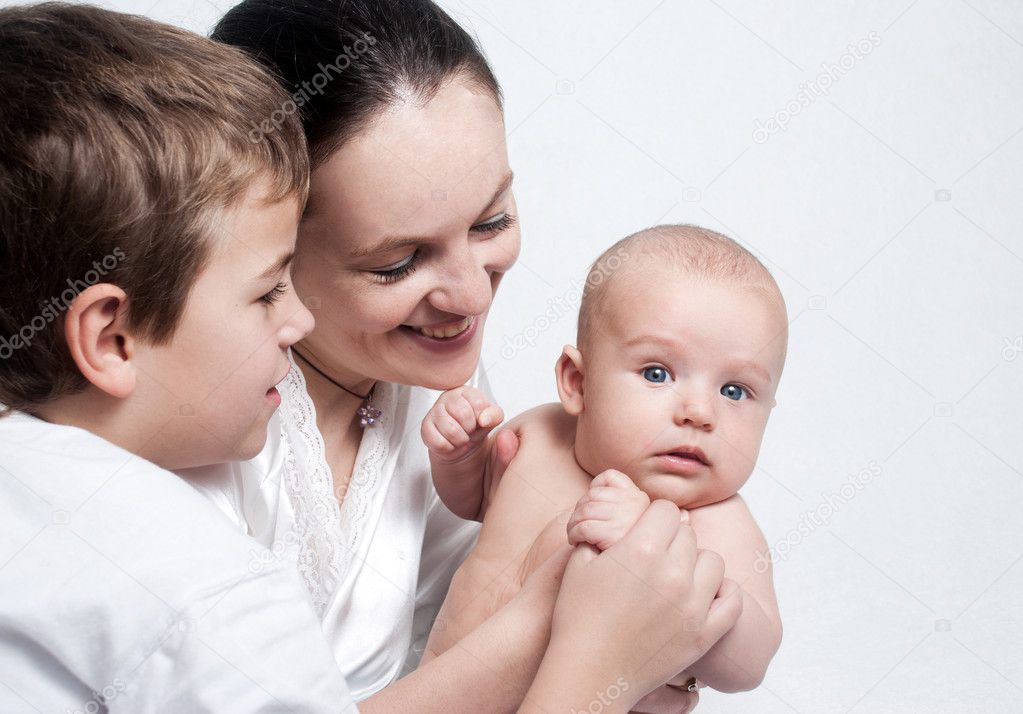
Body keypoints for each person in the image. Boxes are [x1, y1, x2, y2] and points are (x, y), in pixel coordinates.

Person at [0, 5, 736, 713]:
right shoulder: (178, 428)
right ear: (280, 233)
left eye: (491, 220)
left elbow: (456, 634)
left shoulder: (432, 376)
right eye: (395, 263)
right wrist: (585, 653)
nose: (468, 293)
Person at [424, 225, 787, 693]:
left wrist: (660, 564)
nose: (699, 413)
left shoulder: (716, 522)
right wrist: (461, 456)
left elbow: (748, 667)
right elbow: (473, 504)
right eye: (657, 373)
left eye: (735, 391)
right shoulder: (539, 434)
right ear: (577, 381)